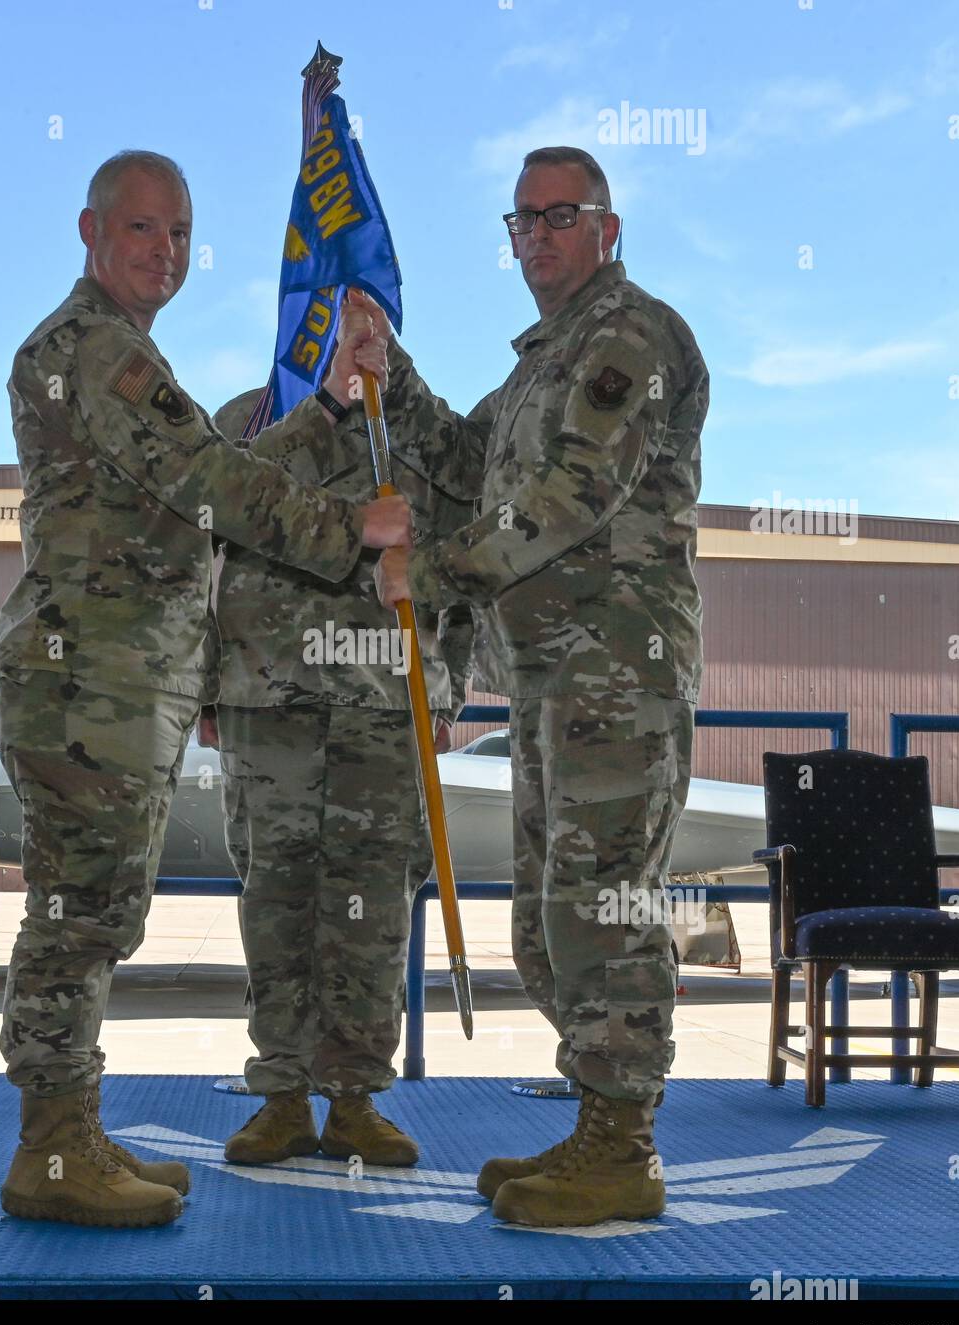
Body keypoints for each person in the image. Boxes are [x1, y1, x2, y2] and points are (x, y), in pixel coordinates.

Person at [0, 150, 405, 1229]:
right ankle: (47, 1150)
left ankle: (66, 1131)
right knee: (79, 918)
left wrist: (323, 409)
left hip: (114, 680)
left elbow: (211, 459)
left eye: (179, 234)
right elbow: (215, 480)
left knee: (94, 913)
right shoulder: (94, 352)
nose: (164, 252)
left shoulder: (122, 354)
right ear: (91, 231)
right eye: (142, 230)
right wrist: (349, 522)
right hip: (91, 678)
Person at [367, 146, 708, 1227]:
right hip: (549, 679)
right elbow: (468, 461)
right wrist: (392, 370)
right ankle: (596, 1127)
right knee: (551, 921)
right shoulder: (538, 364)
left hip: (616, 671)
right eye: (522, 222)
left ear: (609, 229)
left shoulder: (629, 335)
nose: (539, 235)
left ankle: (622, 1146)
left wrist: (430, 571)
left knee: (604, 908)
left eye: (562, 215)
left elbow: (571, 497)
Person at [208, 376, 474, 1169]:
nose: (352, 323)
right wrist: (205, 679)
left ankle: (355, 1098)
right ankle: (282, 1096)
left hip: (386, 699)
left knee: (376, 903)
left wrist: (446, 684)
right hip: (269, 696)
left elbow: (458, 565)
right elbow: (208, 547)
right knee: (274, 897)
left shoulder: (420, 434)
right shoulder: (249, 420)